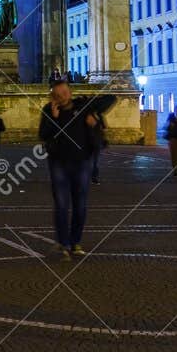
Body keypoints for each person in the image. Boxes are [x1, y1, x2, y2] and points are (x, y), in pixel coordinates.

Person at [39, 82, 99, 259]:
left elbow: (98, 126)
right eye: (58, 94)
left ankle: (76, 241)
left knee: (80, 205)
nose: (63, 97)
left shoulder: (83, 108)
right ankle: (64, 242)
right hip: (58, 163)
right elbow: (43, 134)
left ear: (70, 92)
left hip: (81, 162)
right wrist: (55, 118)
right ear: (54, 97)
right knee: (62, 205)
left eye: (65, 92)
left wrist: (93, 124)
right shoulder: (49, 111)